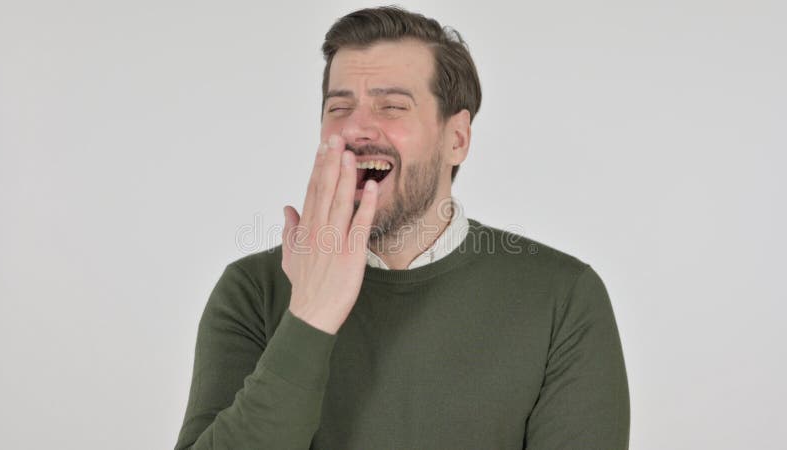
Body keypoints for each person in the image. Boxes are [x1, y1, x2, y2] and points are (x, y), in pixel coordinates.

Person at [174, 6, 630, 450]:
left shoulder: (563, 298)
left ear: (457, 139)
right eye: (339, 107)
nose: (356, 127)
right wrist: (309, 318)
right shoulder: (253, 291)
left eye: (392, 106)